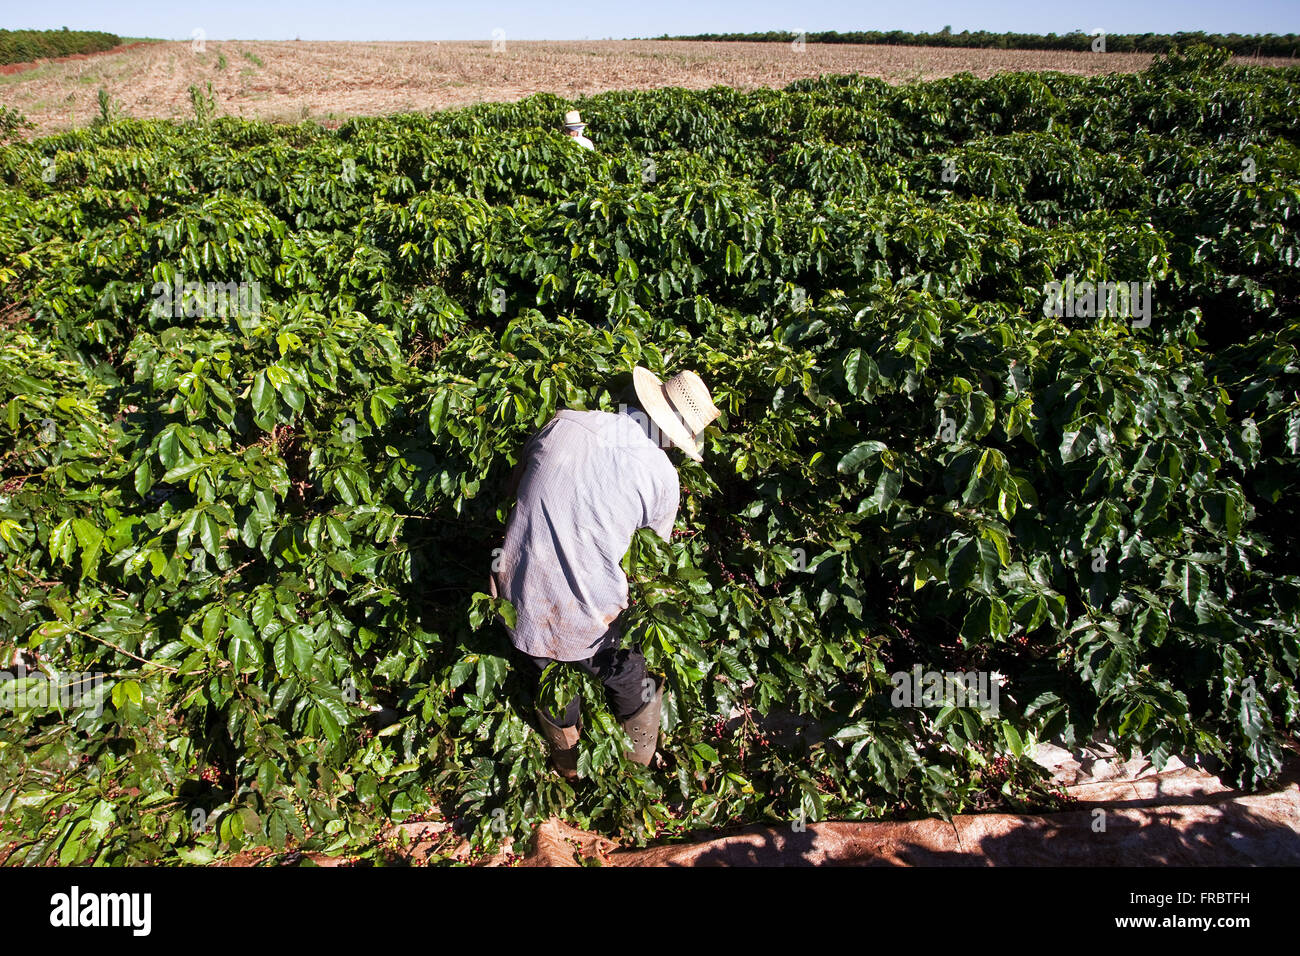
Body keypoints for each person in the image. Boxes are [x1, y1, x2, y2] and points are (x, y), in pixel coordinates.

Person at [489, 367, 721, 777]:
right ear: (674, 436)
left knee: (551, 677)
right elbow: (646, 557)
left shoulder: (564, 421)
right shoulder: (662, 476)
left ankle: (568, 765)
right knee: (627, 672)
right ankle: (634, 770)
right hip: (589, 615)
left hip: (514, 591)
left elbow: (513, 492)